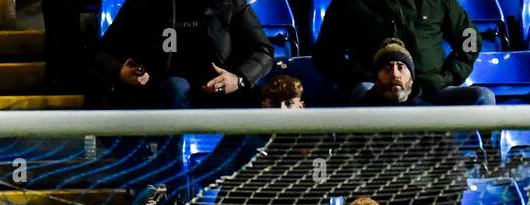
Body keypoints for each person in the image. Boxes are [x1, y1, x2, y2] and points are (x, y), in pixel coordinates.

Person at [95, 0, 273, 109]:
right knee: (176, 87)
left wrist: (239, 78)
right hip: (160, 90)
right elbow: (103, 52)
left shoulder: (229, 2)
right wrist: (121, 71)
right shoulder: (144, 3)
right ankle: (169, 166)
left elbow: (264, 50)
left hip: (218, 91)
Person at [313, 0, 493, 106]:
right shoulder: (348, 4)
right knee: (363, 91)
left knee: (483, 97)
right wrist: (368, 79)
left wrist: (445, 77)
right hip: (375, 93)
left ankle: (486, 165)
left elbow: (470, 37)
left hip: (430, 89)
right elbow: (324, 54)